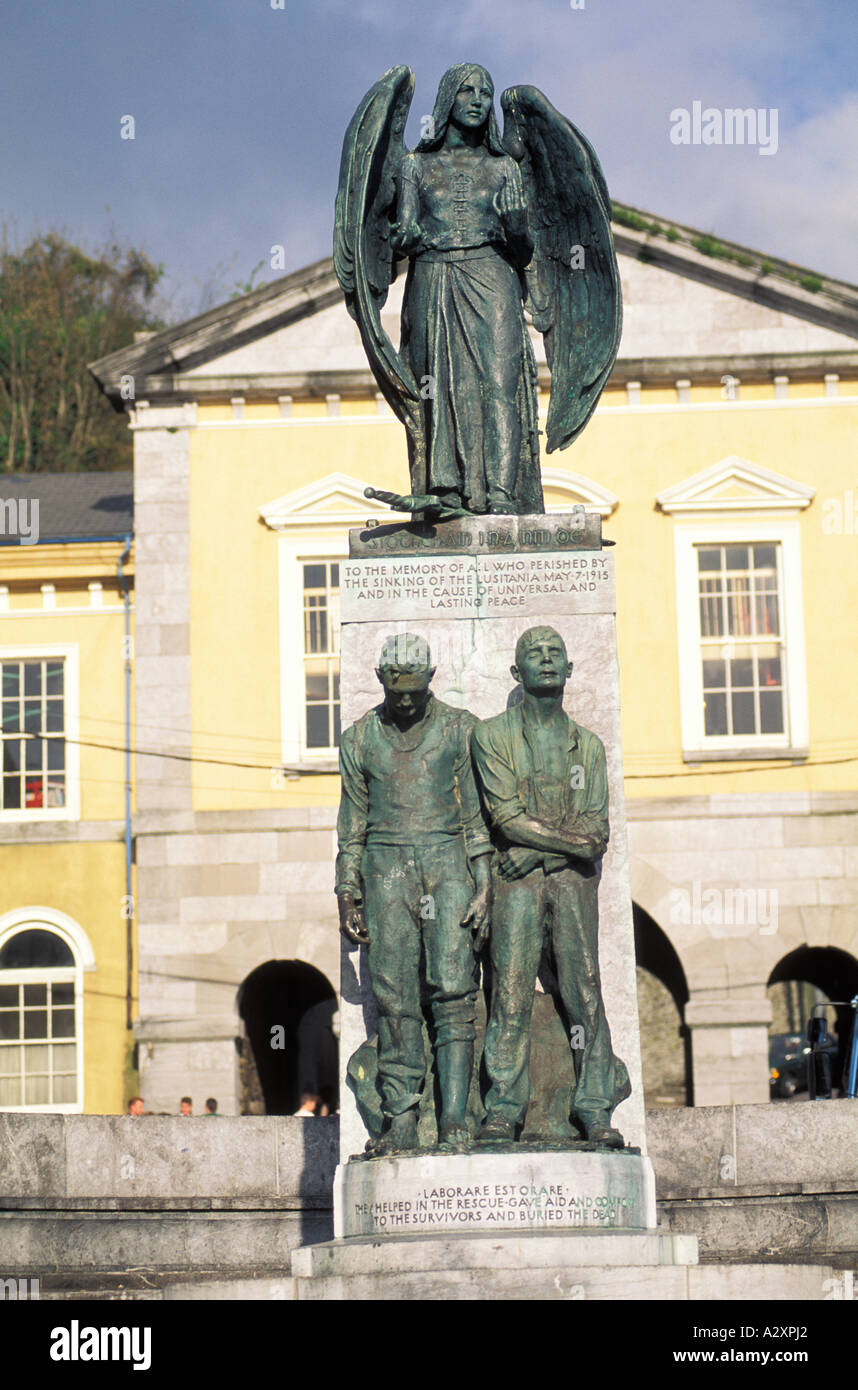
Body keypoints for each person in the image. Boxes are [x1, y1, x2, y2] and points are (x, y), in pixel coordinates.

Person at [471, 626, 628, 1147]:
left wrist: (538, 851)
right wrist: (554, 844)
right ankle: (503, 1107)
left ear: (569, 669)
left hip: (567, 884)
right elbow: (505, 817)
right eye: (533, 654)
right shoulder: (491, 736)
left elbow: (594, 837)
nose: (545, 659)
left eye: (554, 652)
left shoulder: (588, 746)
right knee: (510, 992)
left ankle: (595, 1105)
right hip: (514, 887)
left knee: (584, 991)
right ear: (516, 672)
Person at [336, 633, 492, 1152]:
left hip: (446, 862)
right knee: (395, 994)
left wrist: (484, 881)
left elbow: (474, 816)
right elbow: (352, 822)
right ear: (381, 680)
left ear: (431, 681)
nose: (405, 701)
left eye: (415, 691)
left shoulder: (459, 730)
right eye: (397, 691)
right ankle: (401, 1115)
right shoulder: (359, 739)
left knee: (453, 991)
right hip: (385, 867)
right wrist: (346, 889)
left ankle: (453, 1117)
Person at [391, 63, 541, 514]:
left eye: (485, 93)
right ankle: (446, 490)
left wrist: (517, 227)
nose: (477, 100)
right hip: (434, 279)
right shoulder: (415, 166)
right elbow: (404, 233)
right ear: (447, 101)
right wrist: (405, 236)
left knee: (500, 381)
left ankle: (501, 494)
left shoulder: (505, 169)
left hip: (492, 274)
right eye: (467, 91)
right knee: (440, 387)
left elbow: (523, 250)